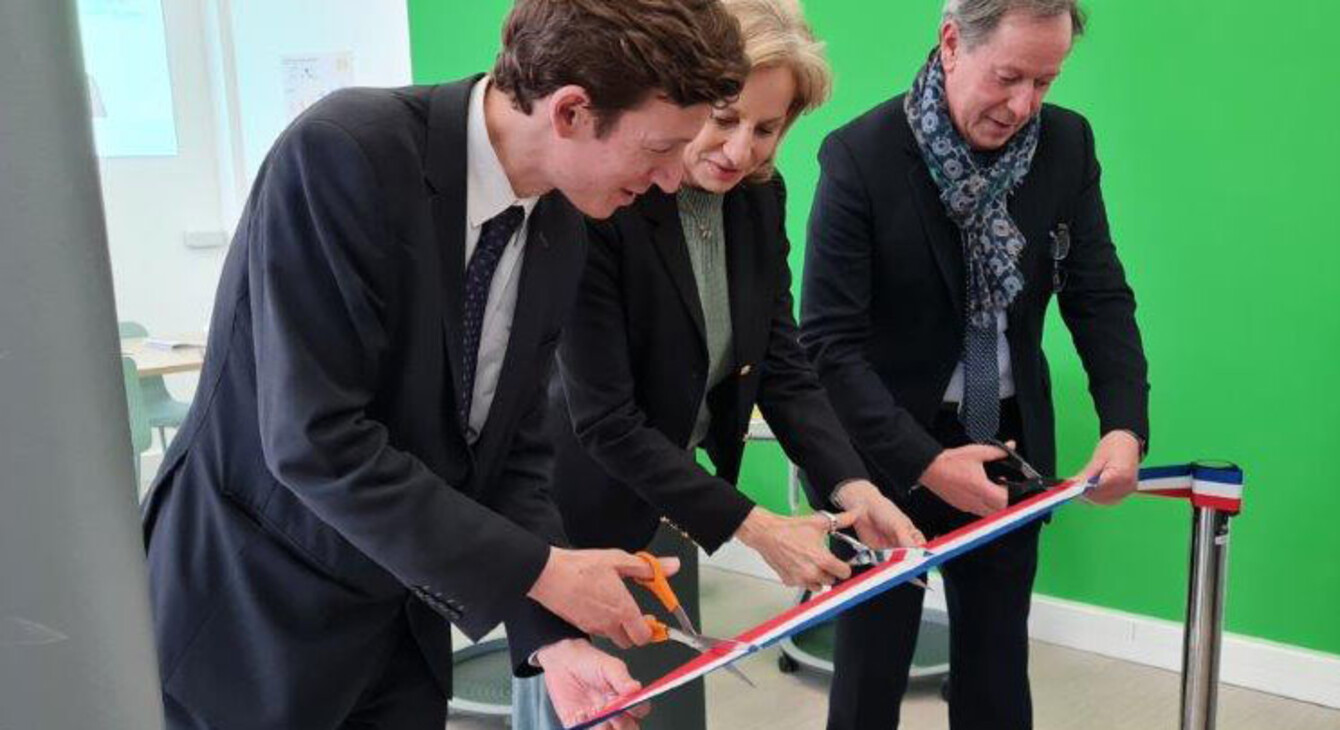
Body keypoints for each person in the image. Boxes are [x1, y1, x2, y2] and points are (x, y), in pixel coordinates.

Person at [139, 1, 748, 728]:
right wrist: (547, 573)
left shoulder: (560, 222)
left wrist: (552, 635)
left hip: (401, 623)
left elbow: (516, 450)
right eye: (657, 150)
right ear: (571, 112)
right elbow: (317, 440)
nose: (670, 181)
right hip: (257, 614)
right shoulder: (343, 154)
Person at [513, 1, 925, 727]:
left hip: (669, 498)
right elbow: (605, 420)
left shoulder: (758, 202)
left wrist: (852, 484)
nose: (741, 151)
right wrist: (757, 527)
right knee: (591, 708)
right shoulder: (604, 199)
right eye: (725, 119)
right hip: (572, 513)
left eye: (767, 129)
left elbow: (784, 366)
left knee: (667, 703)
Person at [800, 1, 1149, 727]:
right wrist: (927, 463)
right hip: (886, 460)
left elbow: (1099, 294)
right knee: (868, 681)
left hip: (1006, 451)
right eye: (1010, 77)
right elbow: (829, 344)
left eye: (1045, 83)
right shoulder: (860, 156)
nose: (1024, 105)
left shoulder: (1065, 146)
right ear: (952, 42)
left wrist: (1124, 426)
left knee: (996, 676)